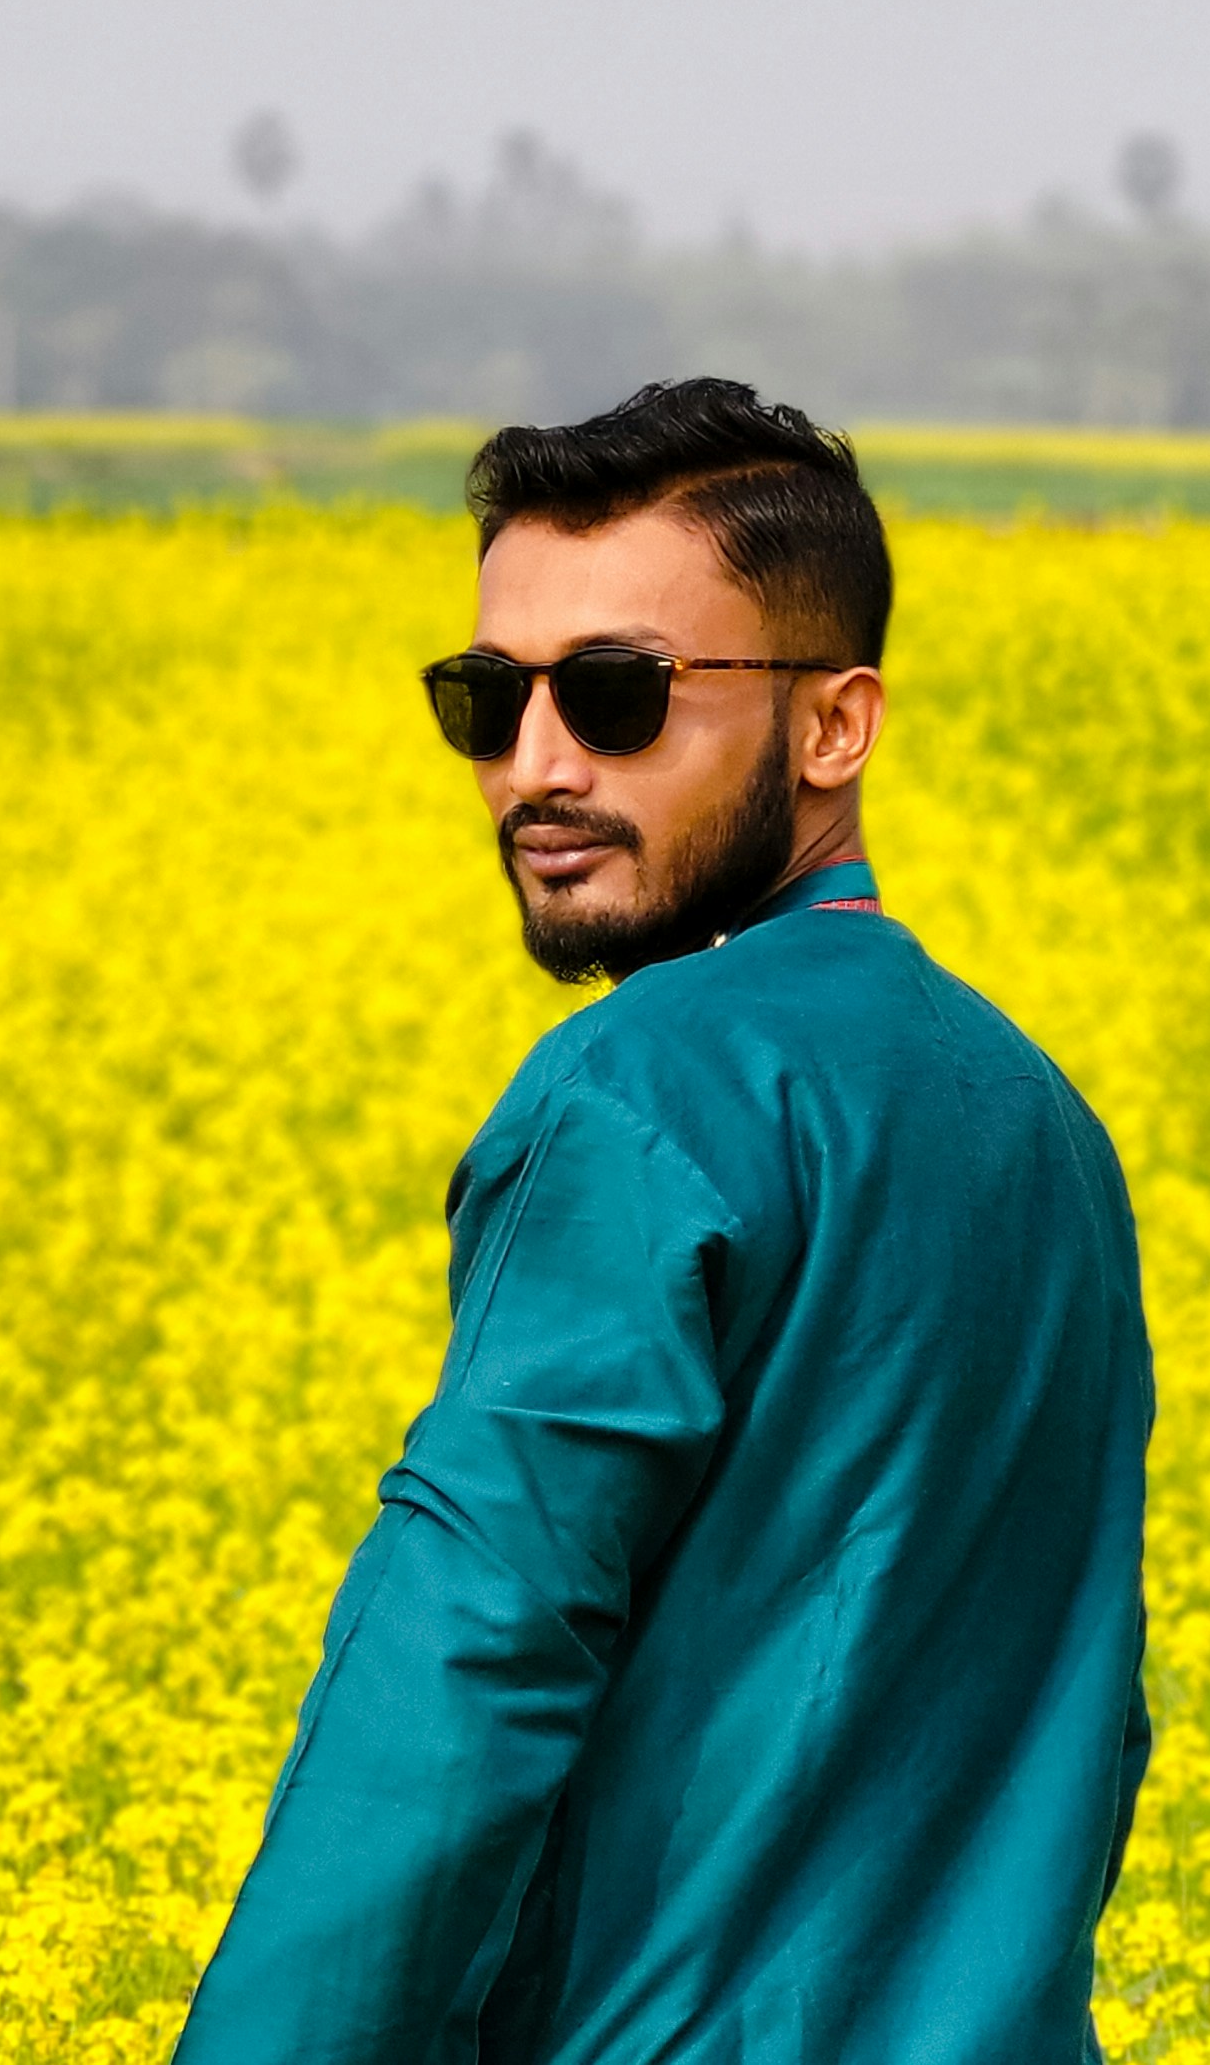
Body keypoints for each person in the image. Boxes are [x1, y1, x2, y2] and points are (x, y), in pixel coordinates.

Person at [174, 379, 1153, 2062]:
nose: (535, 764)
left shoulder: (636, 1096)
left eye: (618, 694)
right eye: (486, 699)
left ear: (835, 725)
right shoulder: (1041, 1116)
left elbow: (464, 1669)